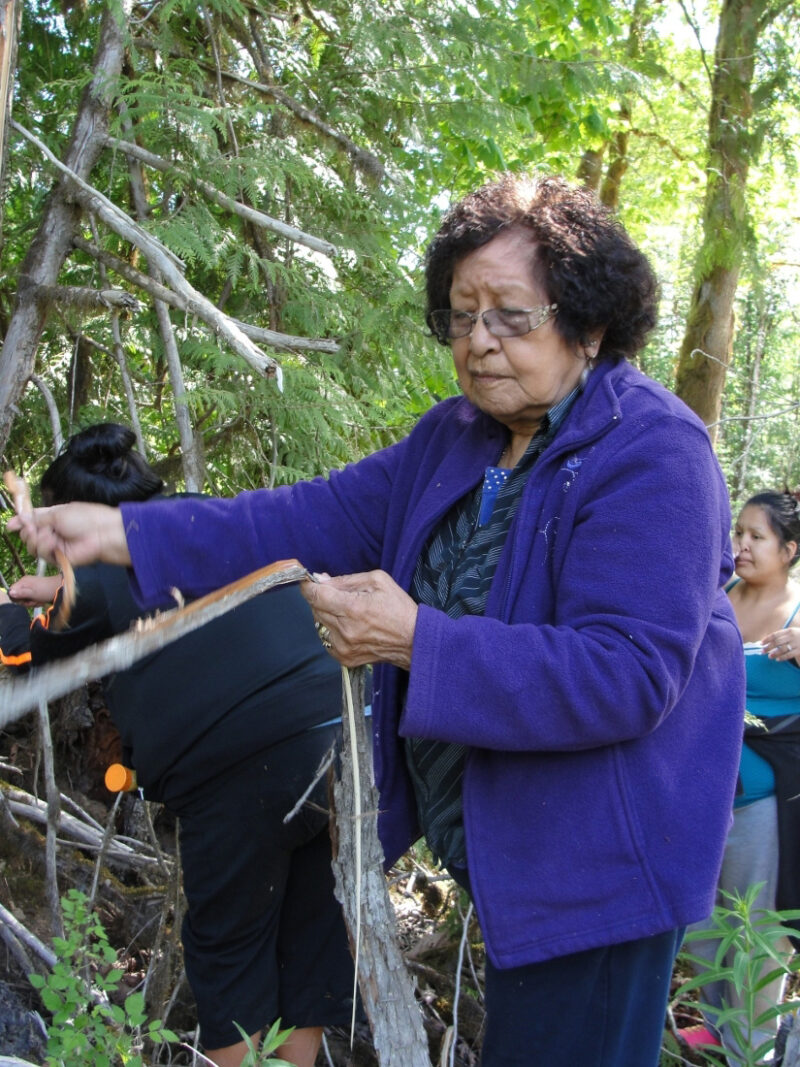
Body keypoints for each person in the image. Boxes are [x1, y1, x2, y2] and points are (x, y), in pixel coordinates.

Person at [8, 174, 746, 1067]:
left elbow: (626, 675)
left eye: (510, 314)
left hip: (597, 861)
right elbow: (296, 519)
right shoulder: (458, 440)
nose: (478, 341)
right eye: (460, 314)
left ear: (589, 323)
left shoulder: (654, 452)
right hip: (513, 852)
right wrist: (124, 530)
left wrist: (413, 639)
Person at [0, 423, 355, 1067]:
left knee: (231, 952)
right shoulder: (200, 524)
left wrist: (10, 605)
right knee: (309, 942)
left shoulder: (100, 565)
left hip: (240, 766)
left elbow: (23, 649)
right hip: (336, 743)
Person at [683, 490, 800, 1062]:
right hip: (700, 790)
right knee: (701, 919)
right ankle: (713, 1024)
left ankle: (752, 1050)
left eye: (757, 537)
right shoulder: (722, 593)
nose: (742, 545)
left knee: (759, 929)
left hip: (766, 803)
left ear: (790, 549)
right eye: (738, 533)